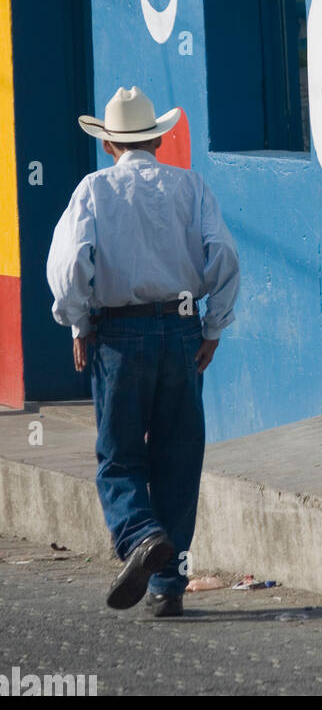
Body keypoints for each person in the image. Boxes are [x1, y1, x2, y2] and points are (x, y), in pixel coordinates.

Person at [46, 85, 240, 619]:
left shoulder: (92, 190)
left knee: (119, 454)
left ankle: (140, 532)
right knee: (179, 454)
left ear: (109, 145)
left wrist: (78, 323)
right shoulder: (191, 186)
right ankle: (166, 583)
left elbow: (68, 271)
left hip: (119, 337)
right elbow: (223, 254)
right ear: (156, 139)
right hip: (181, 330)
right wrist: (213, 326)